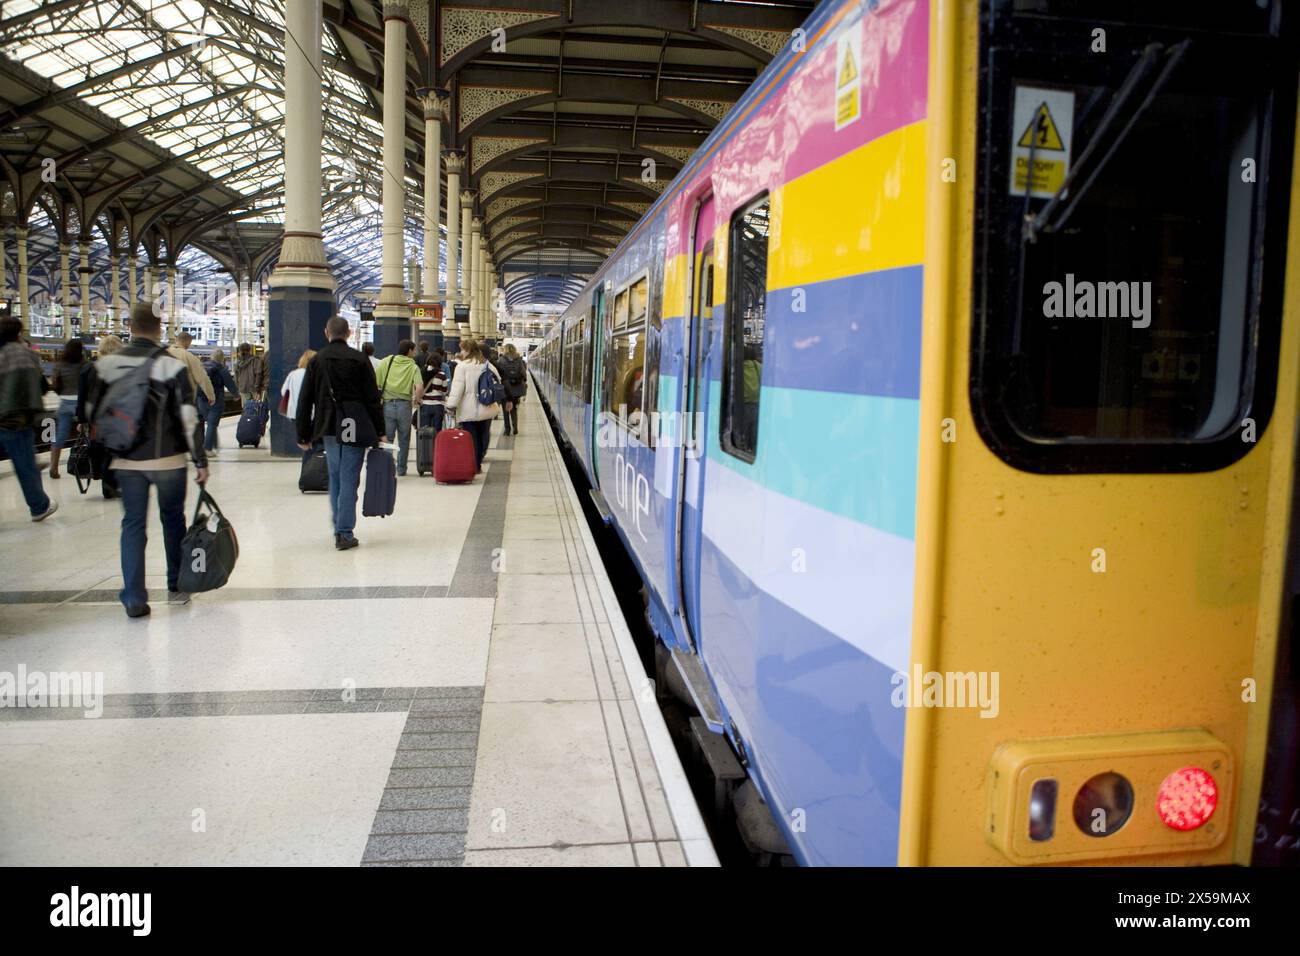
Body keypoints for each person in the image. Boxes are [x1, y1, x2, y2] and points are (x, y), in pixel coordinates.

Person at [84, 302, 208, 617]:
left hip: (126, 461)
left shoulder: (107, 365)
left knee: (133, 524)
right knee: (172, 519)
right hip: (168, 459)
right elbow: (188, 416)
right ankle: (177, 581)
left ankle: (135, 597)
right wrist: (200, 460)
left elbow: (89, 415)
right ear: (159, 327)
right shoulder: (170, 365)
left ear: (130, 326)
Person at [296, 316, 383, 550]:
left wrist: (302, 434)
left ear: (327, 333)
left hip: (329, 425)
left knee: (335, 476)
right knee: (349, 477)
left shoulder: (317, 361)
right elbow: (372, 399)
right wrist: (380, 430)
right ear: (349, 333)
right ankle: (344, 532)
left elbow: (305, 400)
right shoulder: (359, 359)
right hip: (353, 423)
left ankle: (339, 526)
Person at [0, 318, 58, 521]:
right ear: (19, 332)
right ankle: (39, 506)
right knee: (25, 466)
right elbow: (41, 386)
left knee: (27, 461)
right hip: (15, 419)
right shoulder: (25, 354)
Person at [76, 334, 124, 499]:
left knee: (99, 448)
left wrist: (81, 420)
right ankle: (110, 484)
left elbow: (82, 396)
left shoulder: (88, 369)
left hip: (95, 418)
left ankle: (105, 480)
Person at [445, 338, 501, 471]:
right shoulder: (488, 365)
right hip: (487, 407)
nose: (461, 352)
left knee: (471, 439)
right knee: (483, 437)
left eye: (462, 349)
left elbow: (457, 389)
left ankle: (474, 465)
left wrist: (451, 405)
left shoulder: (462, 366)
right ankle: (478, 461)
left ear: (468, 350)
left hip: (468, 410)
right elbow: (498, 382)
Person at [375, 340, 424, 477]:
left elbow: (376, 383)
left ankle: (387, 468)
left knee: (388, 438)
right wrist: (417, 400)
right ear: (409, 351)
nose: (414, 353)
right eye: (414, 350)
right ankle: (401, 469)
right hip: (404, 405)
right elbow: (419, 387)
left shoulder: (386, 362)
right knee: (404, 438)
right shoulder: (413, 366)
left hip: (388, 405)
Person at [48, 339, 90, 478]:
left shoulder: (59, 365)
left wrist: (63, 394)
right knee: (88, 434)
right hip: (80, 404)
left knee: (60, 435)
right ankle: (89, 463)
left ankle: (53, 466)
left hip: (65, 403)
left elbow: (55, 384)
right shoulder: (84, 365)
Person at [280, 349, 316, 463]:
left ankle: (307, 471)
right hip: (312, 413)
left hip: (295, 413)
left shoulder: (293, 374)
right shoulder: (315, 373)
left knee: (305, 442)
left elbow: (283, 392)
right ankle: (314, 469)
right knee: (314, 443)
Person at [200, 349, 238, 456]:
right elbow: (229, 383)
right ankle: (207, 448)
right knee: (212, 425)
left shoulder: (202, 366)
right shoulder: (222, 369)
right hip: (215, 399)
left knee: (209, 424)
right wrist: (236, 395)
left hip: (201, 399)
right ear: (222, 358)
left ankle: (215, 445)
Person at [496, 343, 527, 436]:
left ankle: (507, 430)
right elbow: (523, 373)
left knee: (506, 410)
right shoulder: (519, 360)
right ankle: (515, 427)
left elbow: (498, 374)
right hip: (516, 389)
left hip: (505, 388)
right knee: (513, 409)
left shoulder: (501, 360)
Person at [418, 348, 448, 432]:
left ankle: (425, 445)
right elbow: (444, 391)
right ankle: (435, 445)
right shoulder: (441, 374)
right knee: (436, 431)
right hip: (438, 405)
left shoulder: (422, 372)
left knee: (424, 431)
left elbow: (418, 387)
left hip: (425, 404)